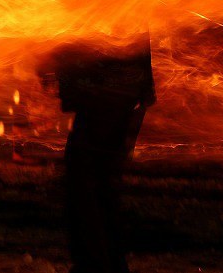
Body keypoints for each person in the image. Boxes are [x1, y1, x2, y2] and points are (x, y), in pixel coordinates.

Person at [51, 34, 155, 273]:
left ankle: (95, 263)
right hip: (119, 91)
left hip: (103, 92)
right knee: (100, 181)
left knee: (86, 179)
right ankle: (107, 261)